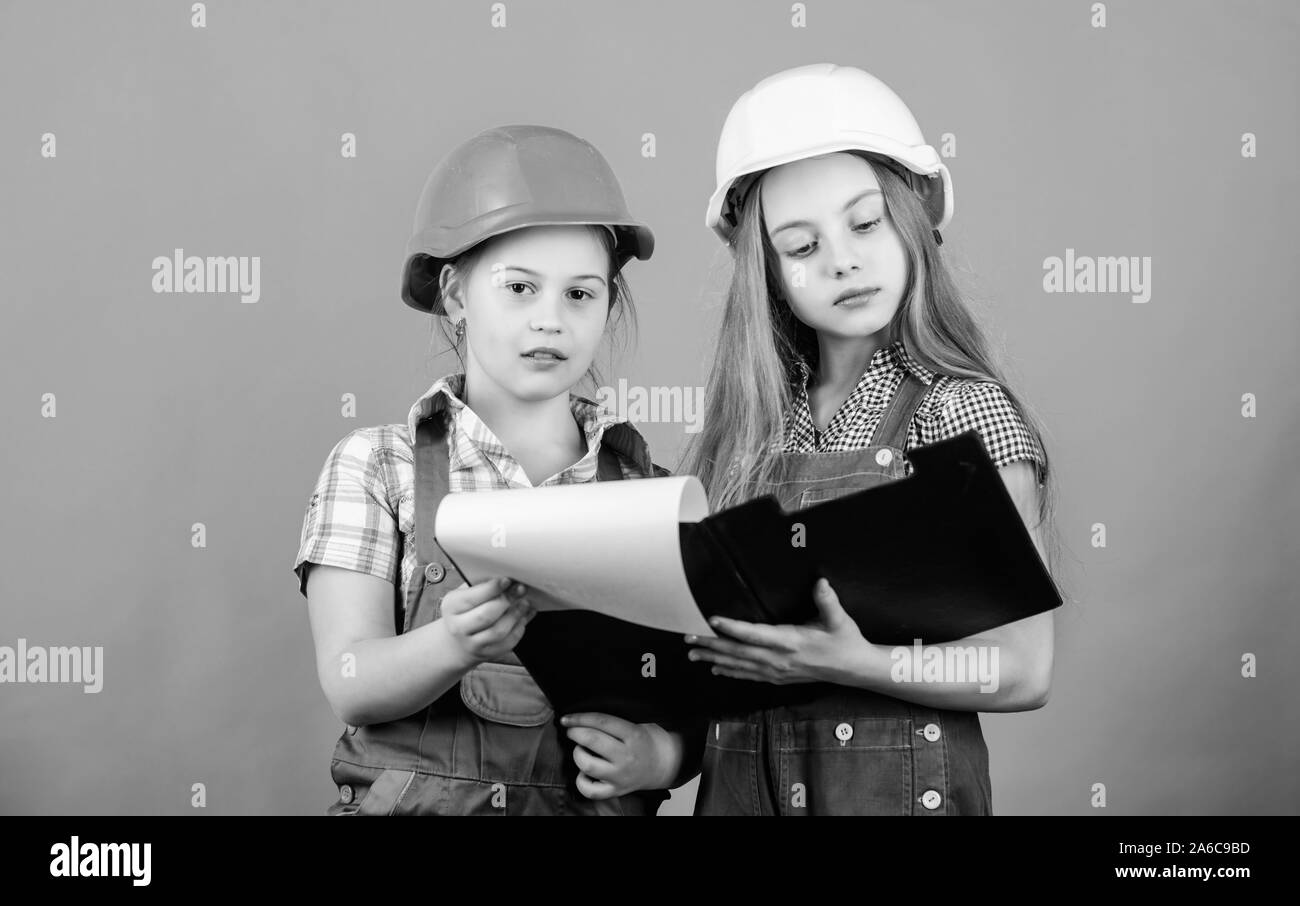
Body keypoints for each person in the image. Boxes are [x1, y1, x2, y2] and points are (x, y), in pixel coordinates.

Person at [680, 64, 1064, 815]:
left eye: (865, 223)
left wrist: (854, 662)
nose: (842, 260)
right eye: (801, 246)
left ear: (914, 217)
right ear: (769, 276)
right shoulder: (742, 435)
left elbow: (1022, 669)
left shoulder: (962, 410)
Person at [293, 125, 696, 814]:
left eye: (580, 293)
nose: (550, 320)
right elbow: (350, 678)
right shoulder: (376, 467)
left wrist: (663, 756)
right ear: (454, 294)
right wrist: (453, 642)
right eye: (519, 287)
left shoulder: (651, 494)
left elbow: (695, 699)